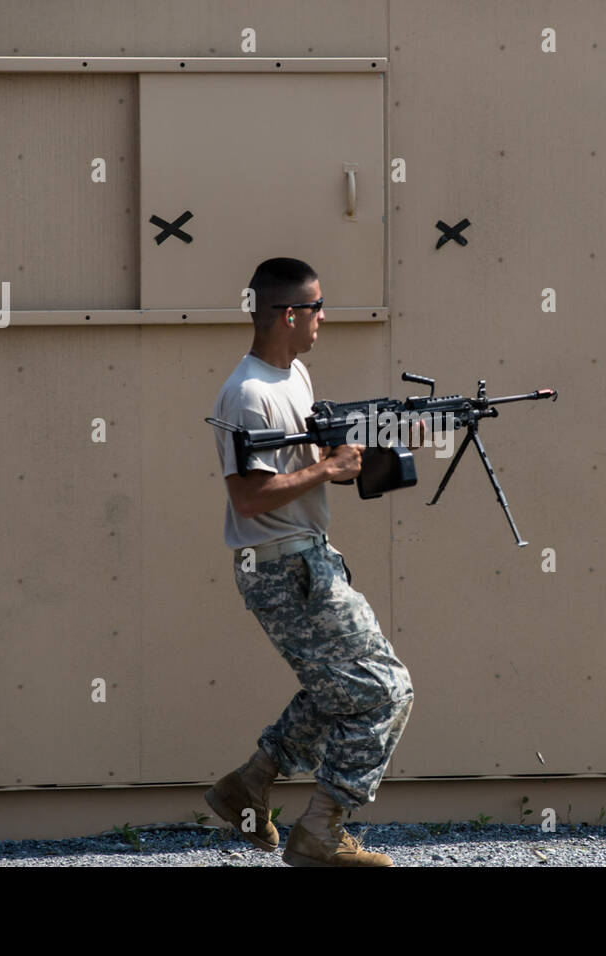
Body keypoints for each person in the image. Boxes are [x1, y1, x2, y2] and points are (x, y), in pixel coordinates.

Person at [205, 257, 415, 867]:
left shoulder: (293, 374)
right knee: (384, 691)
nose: (326, 317)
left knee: (338, 688)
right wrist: (326, 468)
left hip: (307, 557)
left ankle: (249, 783)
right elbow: (246, 496)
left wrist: (354, 453)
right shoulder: (247, 394)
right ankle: (321, 830)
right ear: (289, 313)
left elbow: (299, 466)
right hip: (282, 567)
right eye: (318, 306)